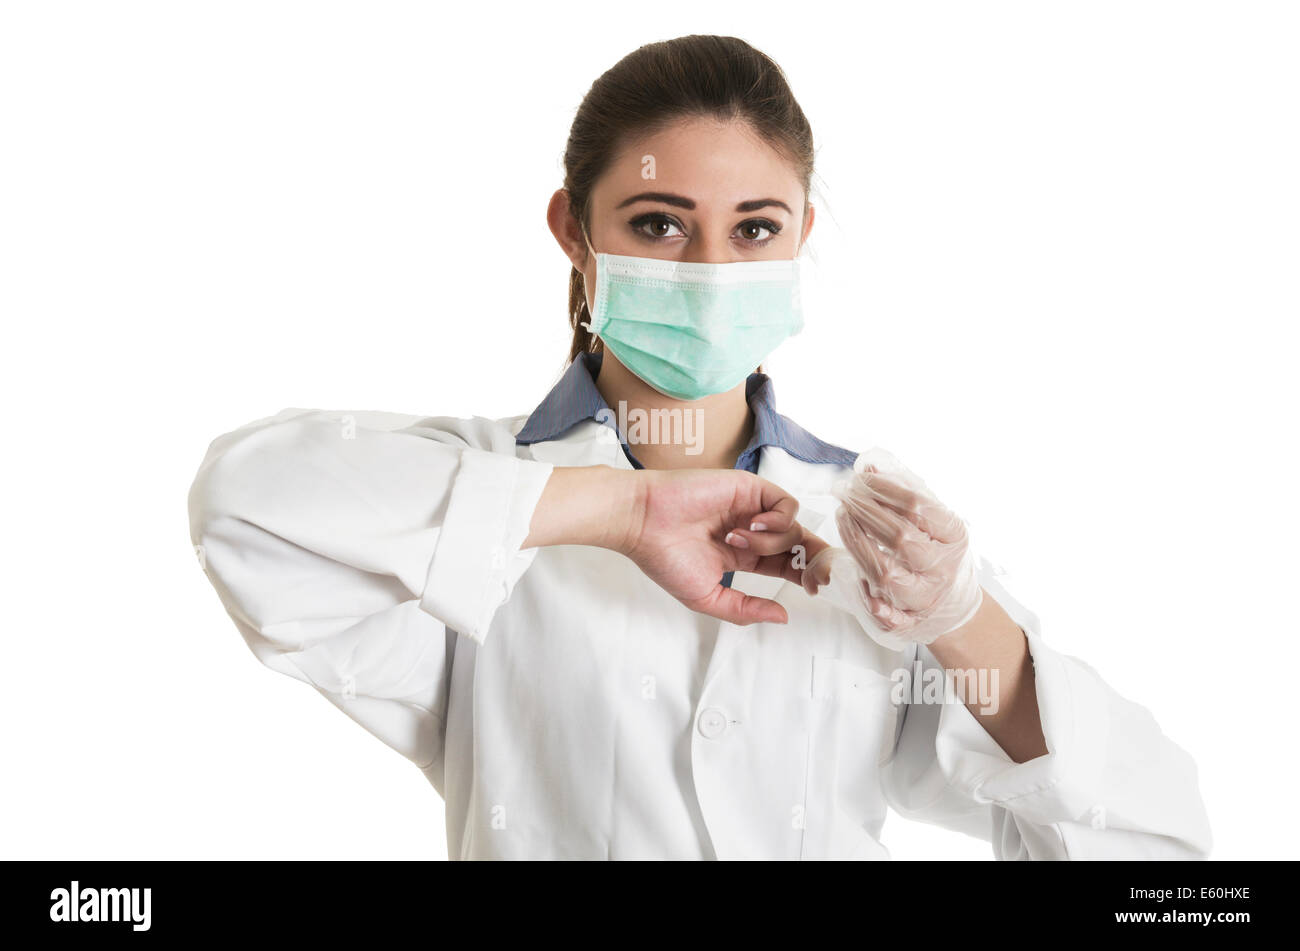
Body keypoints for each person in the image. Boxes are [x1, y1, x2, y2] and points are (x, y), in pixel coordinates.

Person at [187, 34, 1212, 860]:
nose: (712, 270)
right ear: (573, 230)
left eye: (755, 228)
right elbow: (244, 503)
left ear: (802, 234)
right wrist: (622, 511)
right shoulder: (487, 497)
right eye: (659, 224)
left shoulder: (870, 535)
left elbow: (1153, 847)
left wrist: (954, 616)